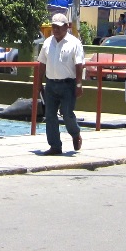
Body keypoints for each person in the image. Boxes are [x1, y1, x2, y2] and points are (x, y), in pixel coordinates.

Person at [36, 13, 85, 155]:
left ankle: (75, 134)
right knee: (50, 115)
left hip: (68, 85)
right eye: (54, 27)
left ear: (66, 27)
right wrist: (39, 83)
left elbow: (79, 65)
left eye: (58, 27)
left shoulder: (74, 43)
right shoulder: (47, 42)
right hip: (51, 84)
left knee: (67, 114)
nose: (55, 30)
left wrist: (79, 85)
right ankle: (55, 146)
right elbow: (41, 63)